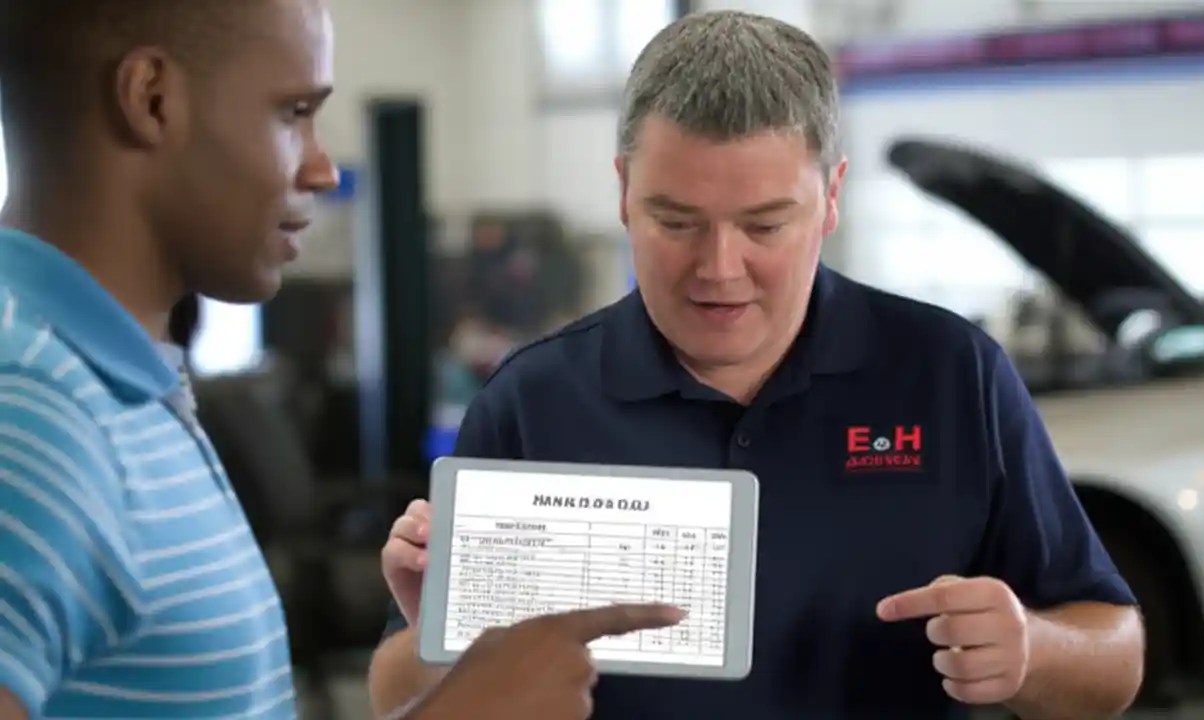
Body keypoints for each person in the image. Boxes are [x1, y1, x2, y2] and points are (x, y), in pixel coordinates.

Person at [370, 10, 1145, 720]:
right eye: (675, 221)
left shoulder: (950, 376)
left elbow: (1114, 653)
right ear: (623, 191)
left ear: (831, 196)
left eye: (765, 225)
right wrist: (433, 633)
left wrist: (1032, 651)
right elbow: (395, 692)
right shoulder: (532, 402)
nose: (720, 268)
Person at [0, 1, 680, 718]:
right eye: (292, 112)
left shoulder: (111, 392)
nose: (323, 168)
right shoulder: (33, 413)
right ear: (153, 100)